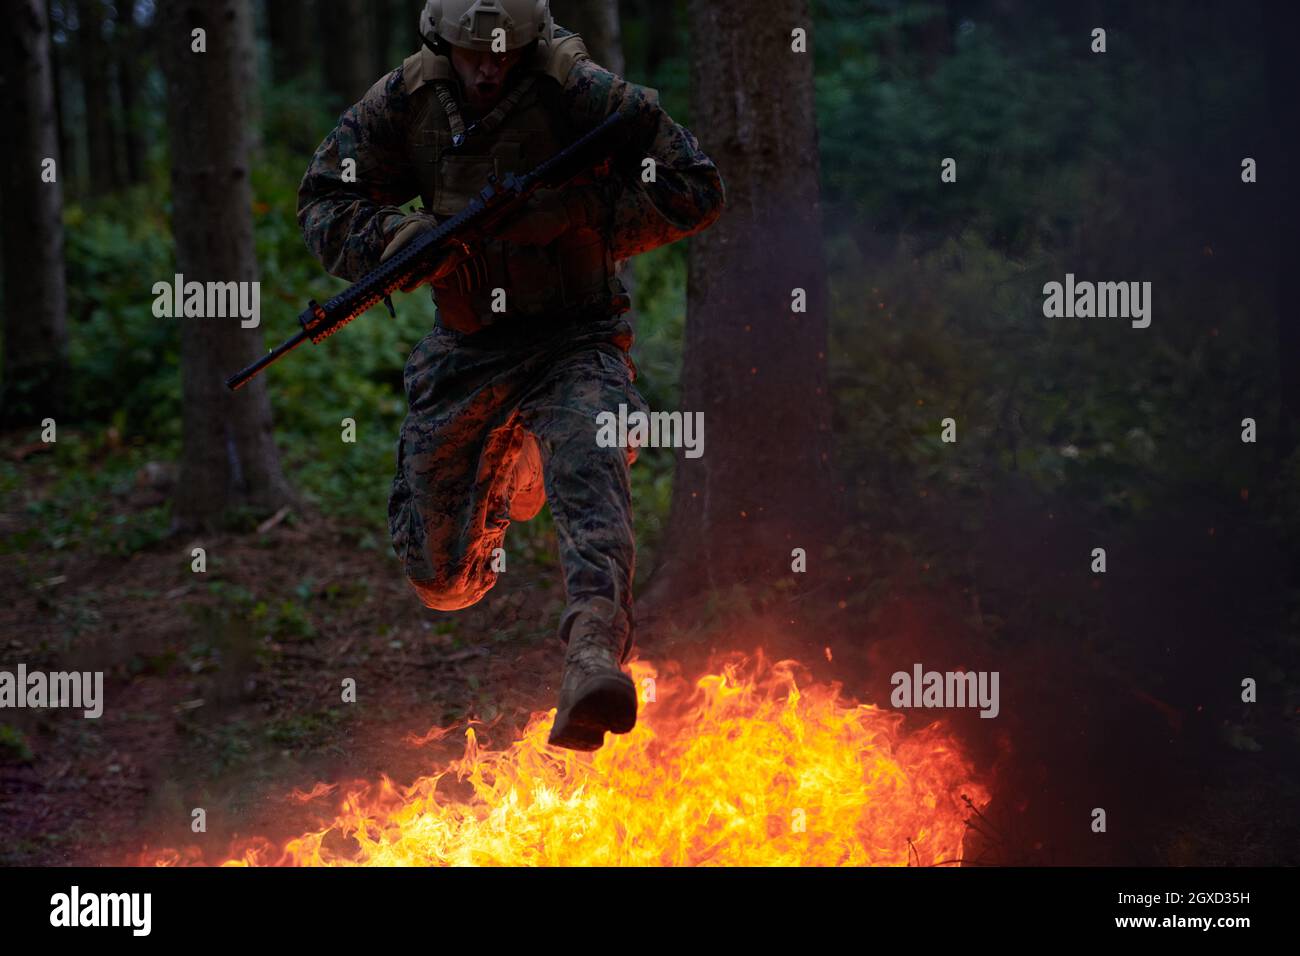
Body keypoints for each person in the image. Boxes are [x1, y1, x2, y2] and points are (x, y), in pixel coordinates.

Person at [297, 0, 724, 750]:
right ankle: (517, 469)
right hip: (468, 351)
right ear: (443, 43)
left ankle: (593, 651)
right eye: (473, 53)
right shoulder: (405, 99)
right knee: (443, 581)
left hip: (575, 336)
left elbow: (693, 187)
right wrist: (399, 239)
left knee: (591, 447)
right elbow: (324, 200)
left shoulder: (580, 91)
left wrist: (577, 212)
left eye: (505, 52)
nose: (490, 68)